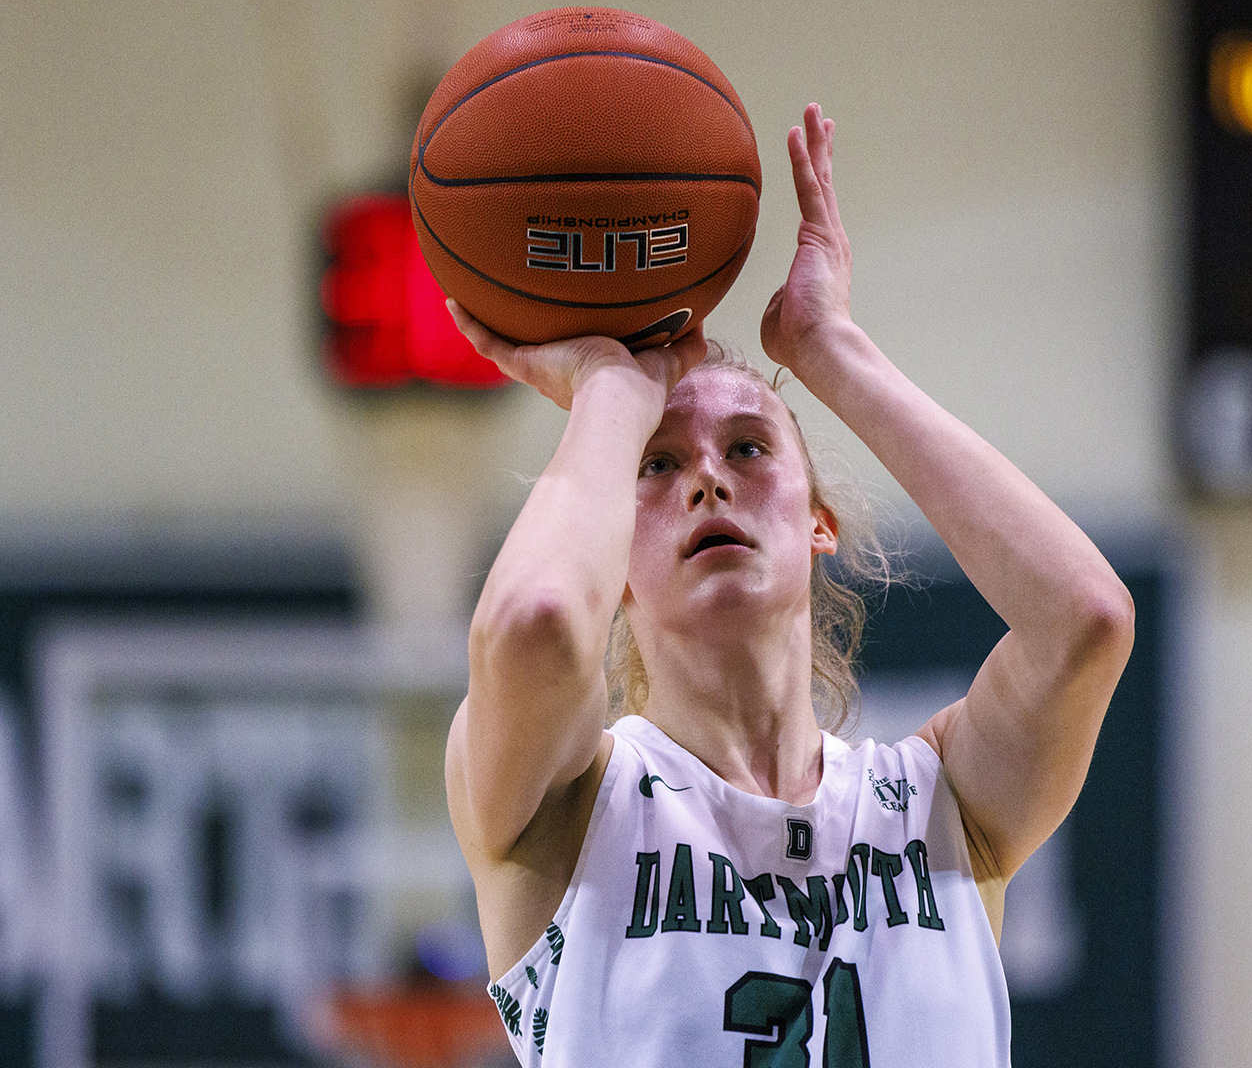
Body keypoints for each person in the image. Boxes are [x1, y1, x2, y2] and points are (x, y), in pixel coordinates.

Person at [443, 104, 1134, 1067]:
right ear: (616, 562)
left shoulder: (940, 806)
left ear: (818, 523)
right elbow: (536, 621)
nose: (708, 479)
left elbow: (1086, 620)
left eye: (749, 448)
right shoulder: (574, 805)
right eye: (656, 463)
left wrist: (828, 347)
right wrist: (608, 386)